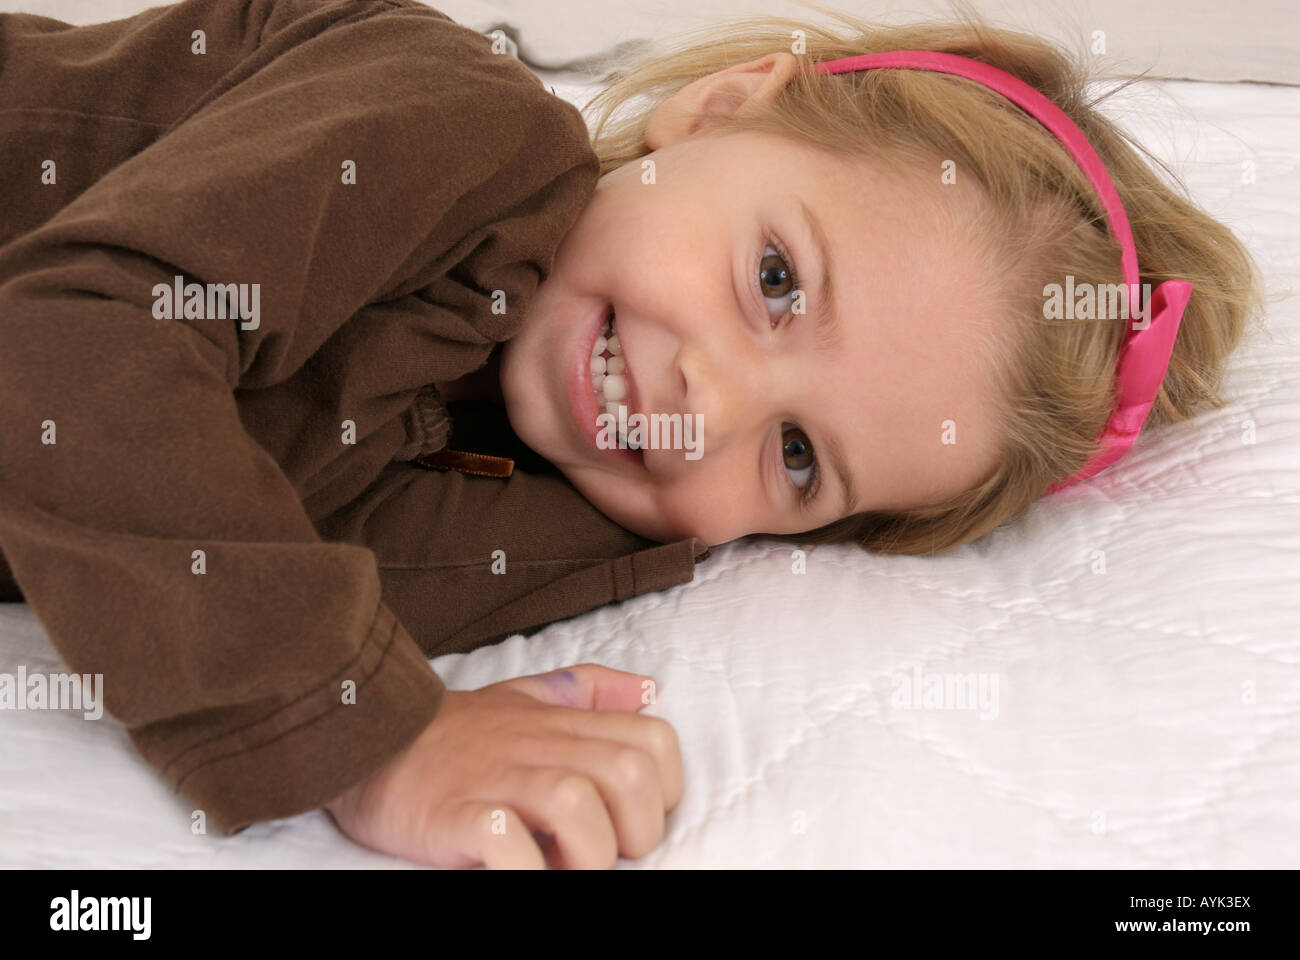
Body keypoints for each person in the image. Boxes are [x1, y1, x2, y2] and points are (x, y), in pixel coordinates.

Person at [0, 0, 1260, 869]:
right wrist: (372, 731)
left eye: (799, 457)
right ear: (714, 111)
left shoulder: (594, 515)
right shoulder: (453, 126)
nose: (705, 403)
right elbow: (65, 350)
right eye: (775, 280)